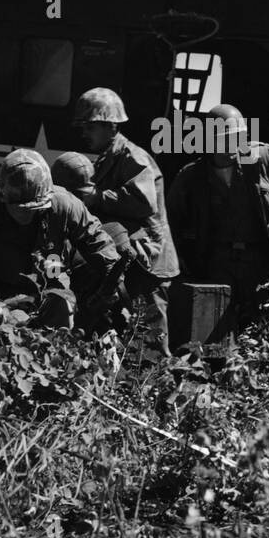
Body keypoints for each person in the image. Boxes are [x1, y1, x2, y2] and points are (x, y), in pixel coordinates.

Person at [0, 148, 120, 330]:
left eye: (34, 208)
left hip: (52, 284)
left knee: (63, 312)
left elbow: (96, 239)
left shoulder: (65, 205)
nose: (26, 215)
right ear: (2, 197)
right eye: (20, 208)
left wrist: (113, 278)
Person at [166, 103, 269, 329]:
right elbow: (170, 221)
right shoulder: (192, 177)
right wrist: (177, 258)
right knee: (215, 323)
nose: (231, 144)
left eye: (236, 137)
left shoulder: (260, 158)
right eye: (223, 138)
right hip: (217, 260)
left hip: (261, 258)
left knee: (264, 319)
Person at [69, 88, 178, 358]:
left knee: (151, 339)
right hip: (134, 257)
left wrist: (99, 197)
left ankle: (157, 394)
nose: (84, 132)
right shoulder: (111, 156)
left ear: (111, 125)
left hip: (149, 260)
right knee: (131, 335)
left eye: (90, 126)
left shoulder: (132, 157)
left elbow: (144, 202)